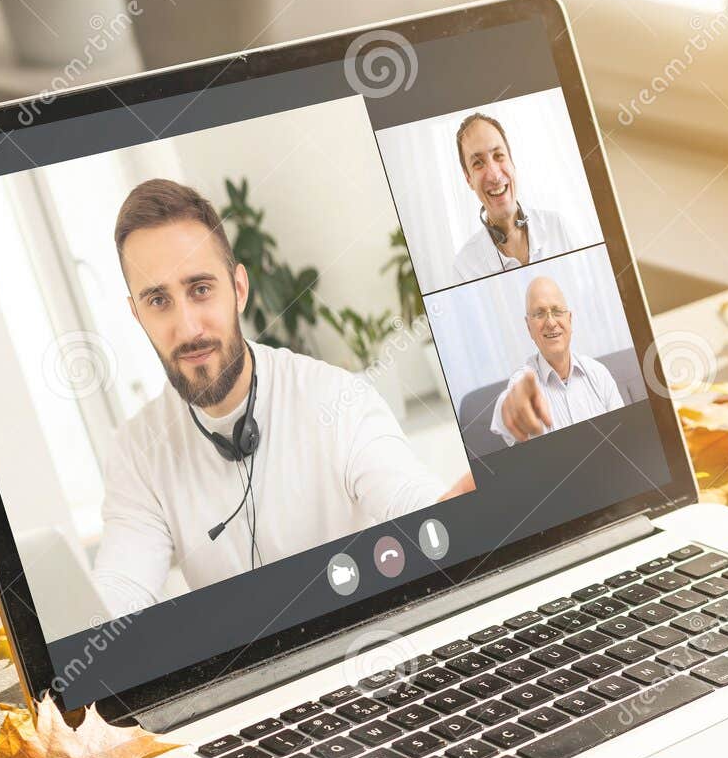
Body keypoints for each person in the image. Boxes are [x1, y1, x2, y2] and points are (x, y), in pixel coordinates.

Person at [92, 178, 470, 619]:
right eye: (159, 300)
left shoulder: (336, 397)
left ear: (238, 289)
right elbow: (121, 588)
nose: (188, 327)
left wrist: (452, 515)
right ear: (137, 315)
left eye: (200, 289)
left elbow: (407, 495)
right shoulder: (138, 452)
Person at [490, 275, 624, 446]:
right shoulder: (523, 382)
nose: (551, 322)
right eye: (539, 314)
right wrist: (508, 407)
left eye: (557, 311)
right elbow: (508, 406)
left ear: (570, 319)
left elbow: (623, 434)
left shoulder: (598, 373)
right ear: (528, 327)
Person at [452, 112, 576, 282]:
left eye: (498, 156)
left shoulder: (558, 228)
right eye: (478, 163)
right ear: (468, 179)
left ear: (512, 161)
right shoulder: (465, 268)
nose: (494, 176)